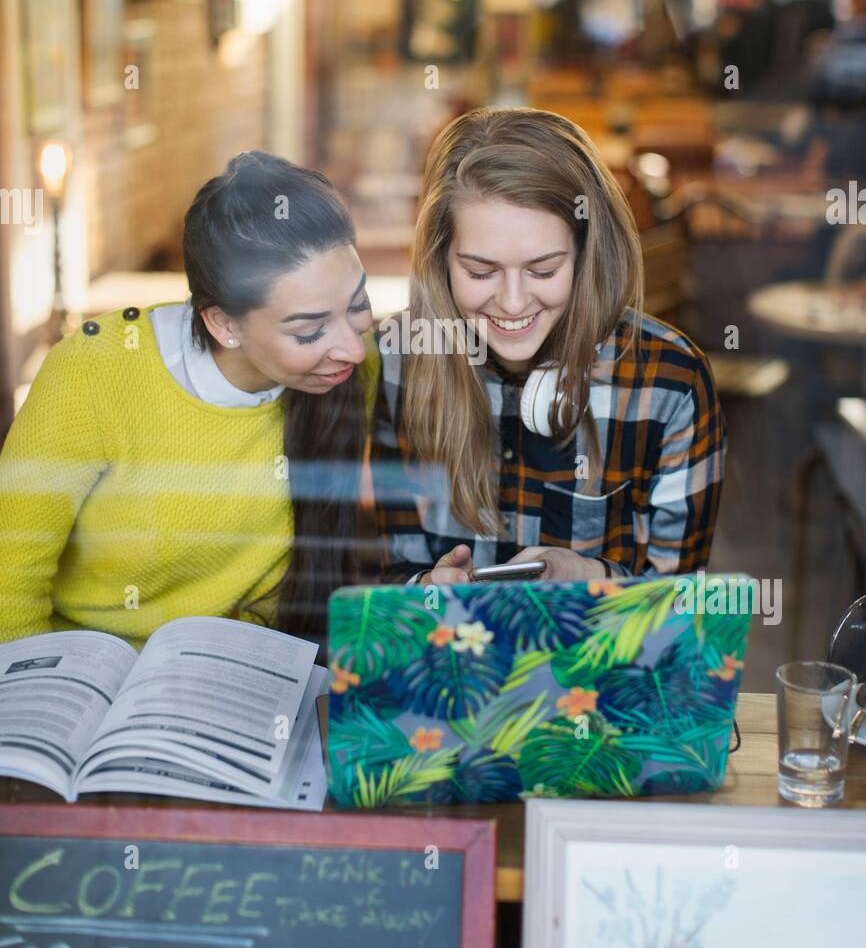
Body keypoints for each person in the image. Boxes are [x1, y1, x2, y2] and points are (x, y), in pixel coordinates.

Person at [0, 152, 377, 646]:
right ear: (222, 323)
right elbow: (11, 576)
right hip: (85, 671)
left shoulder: (345, 370)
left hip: (235, 668)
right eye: (309, 329)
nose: (350, 346)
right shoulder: (95, 372)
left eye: (358, 305)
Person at [372, 107, 726, 585]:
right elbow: (376, 576)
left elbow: (682, 609)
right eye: (480, 272)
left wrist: (593, 580)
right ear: (440, 261)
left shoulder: (670, 383)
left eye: (543, 270)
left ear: (586, 254)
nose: (513, 303)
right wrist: (425, 590)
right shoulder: (392, 362)